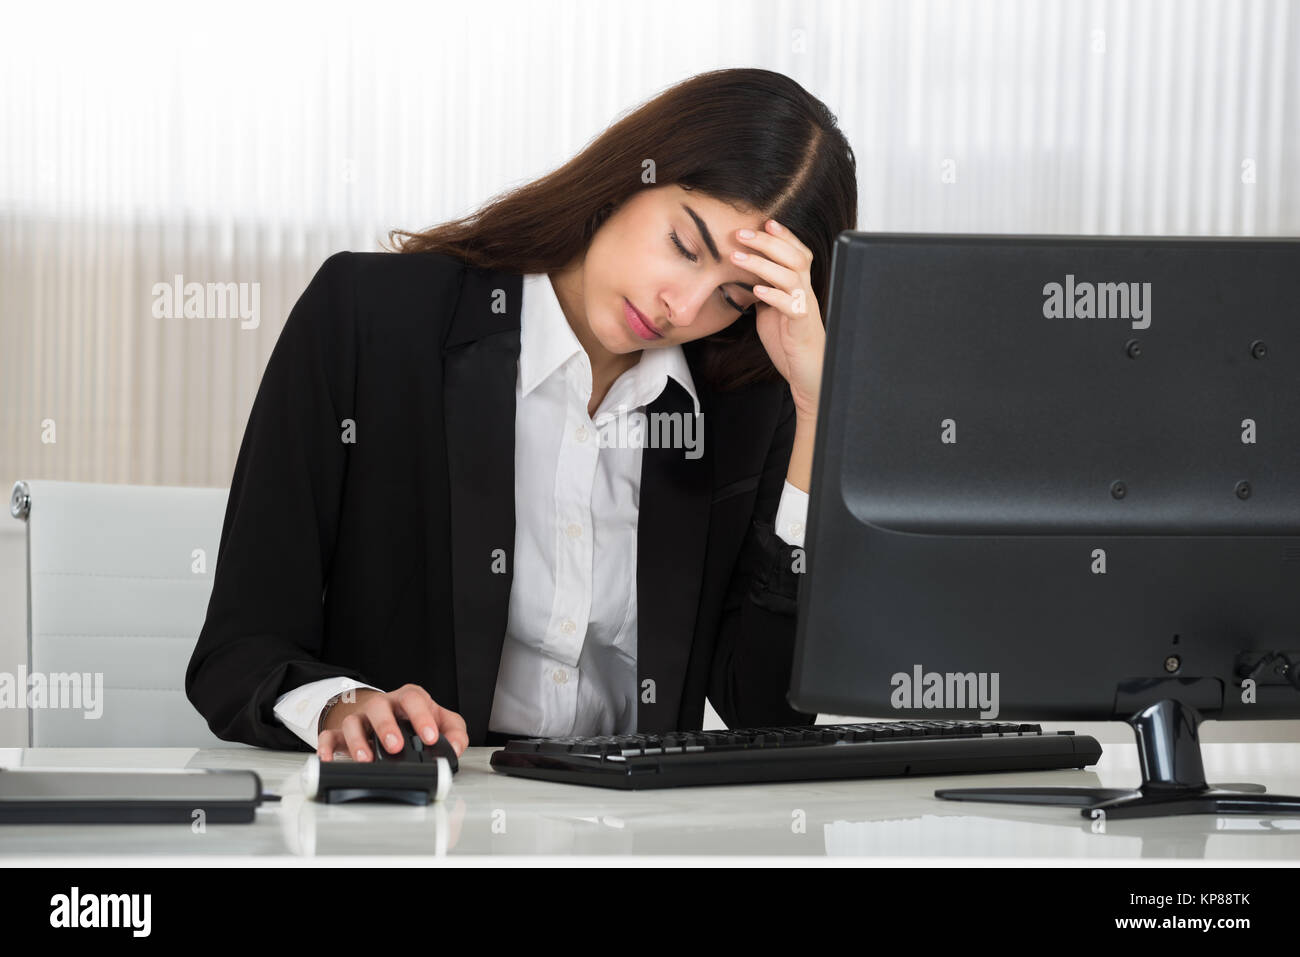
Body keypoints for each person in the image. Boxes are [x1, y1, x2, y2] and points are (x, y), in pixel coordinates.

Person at [185, 67, 858, 762]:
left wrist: (815, 410)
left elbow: (768, 711)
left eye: (735, 297)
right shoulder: (369, 320)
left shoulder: (743, 405)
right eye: (685, 247)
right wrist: (338, 700)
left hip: (634, 825)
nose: (681, 309)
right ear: (631, 174)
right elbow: (237, 653)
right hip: (422, 820)